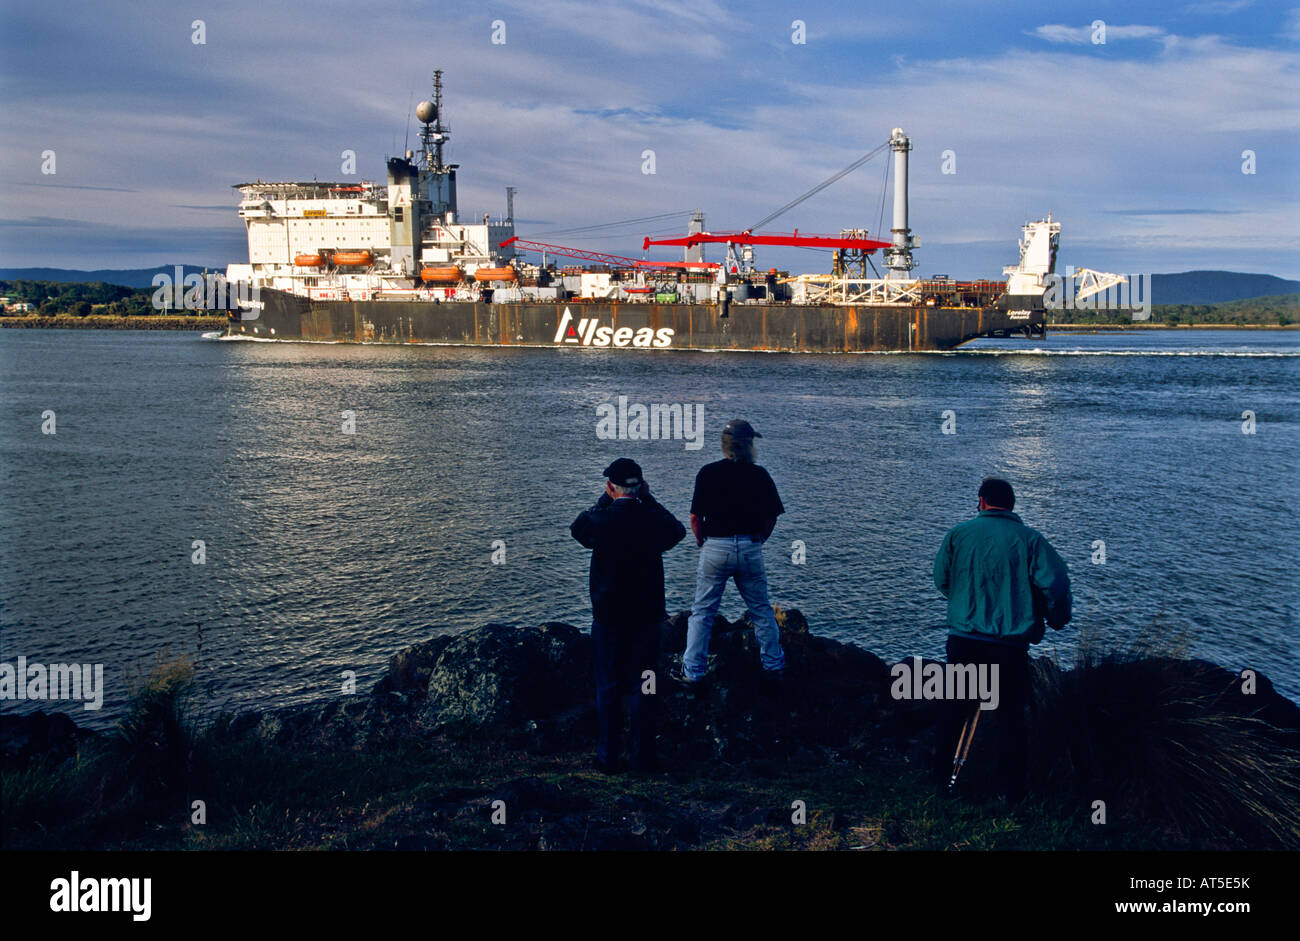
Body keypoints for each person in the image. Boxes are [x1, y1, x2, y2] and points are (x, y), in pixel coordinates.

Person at [933, 477, 1072, 802]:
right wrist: (1056, 618)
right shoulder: (1031, 541)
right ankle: (1010, 792)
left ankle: (942, 782)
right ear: (1011, 505)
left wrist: (964, 602)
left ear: (981, 501)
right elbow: (1056, 585)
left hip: (964, 639)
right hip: (1008, 647)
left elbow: (942, 578)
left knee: (954, 710)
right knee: (1010, 716)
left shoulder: (959, 534)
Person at [571, 458, 686, 773]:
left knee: (607, 685)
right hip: (648, 616)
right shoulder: (651, 519)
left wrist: (604, 500)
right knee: (644, 685)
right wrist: (648, 499)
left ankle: (608, 757)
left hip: (609, 615)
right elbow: (677, 531)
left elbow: (578, 528)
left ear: (610, 487)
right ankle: (642, 757)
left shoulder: (602, 519)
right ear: (641, 487)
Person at [673, 419, 786, 689]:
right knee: (761, 611)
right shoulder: (760, 475)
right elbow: (771, 518)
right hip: (749, 546)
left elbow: (695, 517)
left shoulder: (708, 473)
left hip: (716, 547)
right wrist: (759, 540)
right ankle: (773, 666)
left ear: (724, 445)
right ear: (749, 445)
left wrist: (703, 542)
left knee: (702, 612)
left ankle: (693, 673)